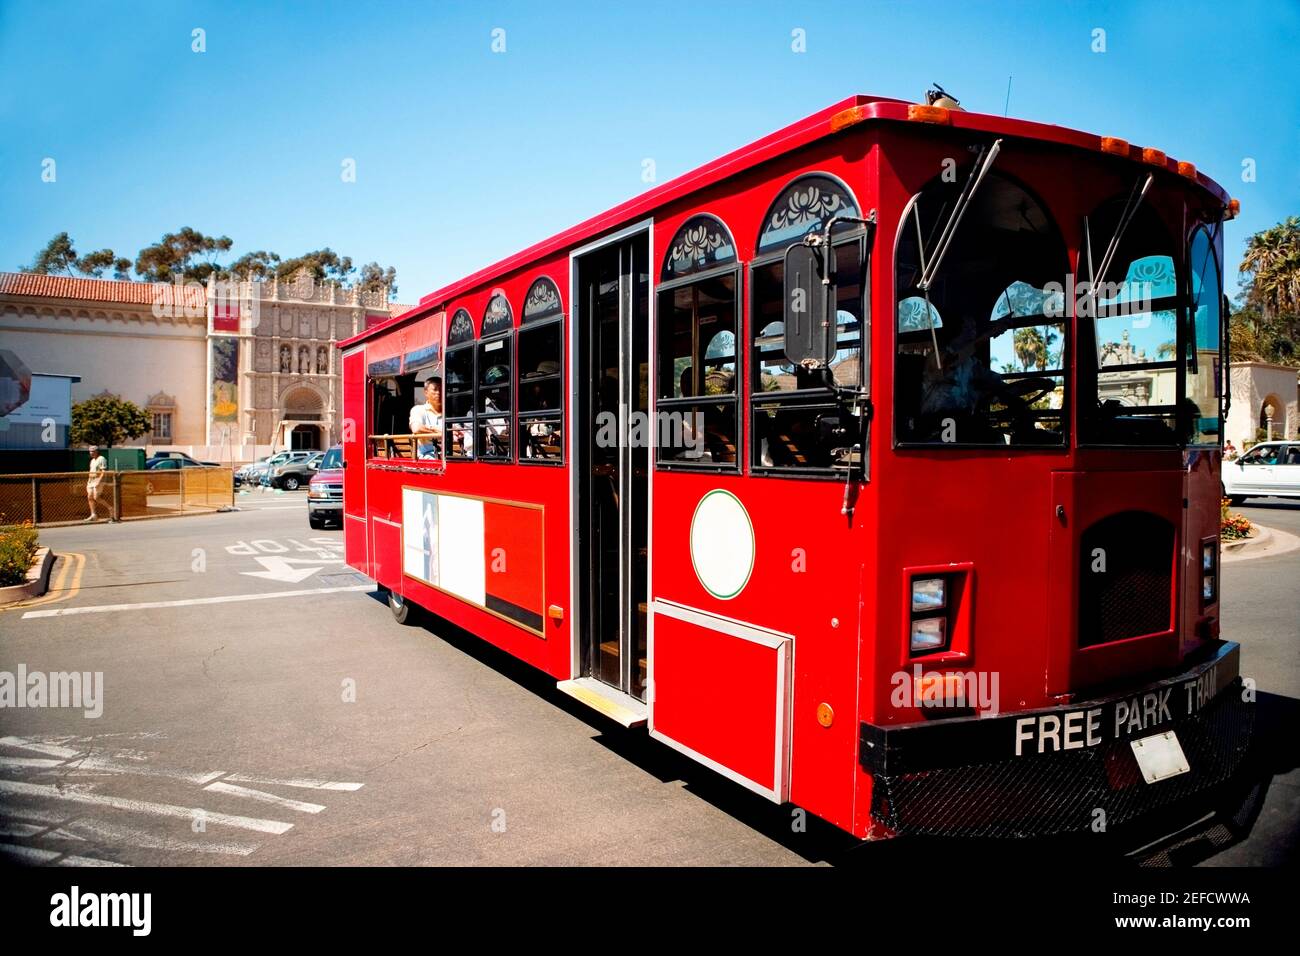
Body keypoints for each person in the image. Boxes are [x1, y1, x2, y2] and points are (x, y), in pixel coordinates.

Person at [409, 378, 444, 460]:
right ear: (426, 393)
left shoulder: (449, 412)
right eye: (435, 390)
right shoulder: (418, 409)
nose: (438, 393)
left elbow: (456, 431)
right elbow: (416, 428)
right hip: (427, 456)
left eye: (441, 389)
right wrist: (441, 433)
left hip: (450, 454)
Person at [85, 444, 107, 521]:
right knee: (89, 497)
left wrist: (99, 481)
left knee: (96, 497)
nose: (91, 453)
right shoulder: (92, 460)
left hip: (98, 481)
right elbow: (91, 471)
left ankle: (111, 508)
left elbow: (103, 471)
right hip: (91, 481)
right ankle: (93, 515)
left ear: (97, 451)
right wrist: (89, 481)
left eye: (93, 451)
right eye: (90, 451)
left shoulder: (101, 458)